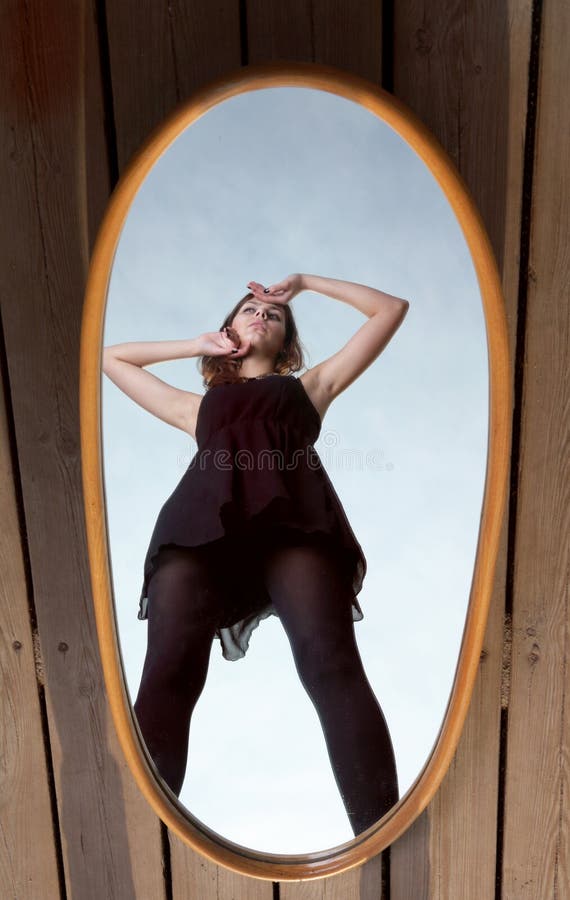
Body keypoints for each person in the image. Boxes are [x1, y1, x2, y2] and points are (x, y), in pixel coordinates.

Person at [103, 272, 409, 836]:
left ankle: (383, 838)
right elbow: (113, 359)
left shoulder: (310, 387)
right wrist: (195, 345)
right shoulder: (196, 408)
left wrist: (306, 285)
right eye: (248, 309)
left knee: (331, 665)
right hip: (198, 529)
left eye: (273, 314)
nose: (262, 314)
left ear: (287, 340)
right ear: (228, 331)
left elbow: (390, 309)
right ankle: (136, 840)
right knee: (169, 671)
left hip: (294, 521)